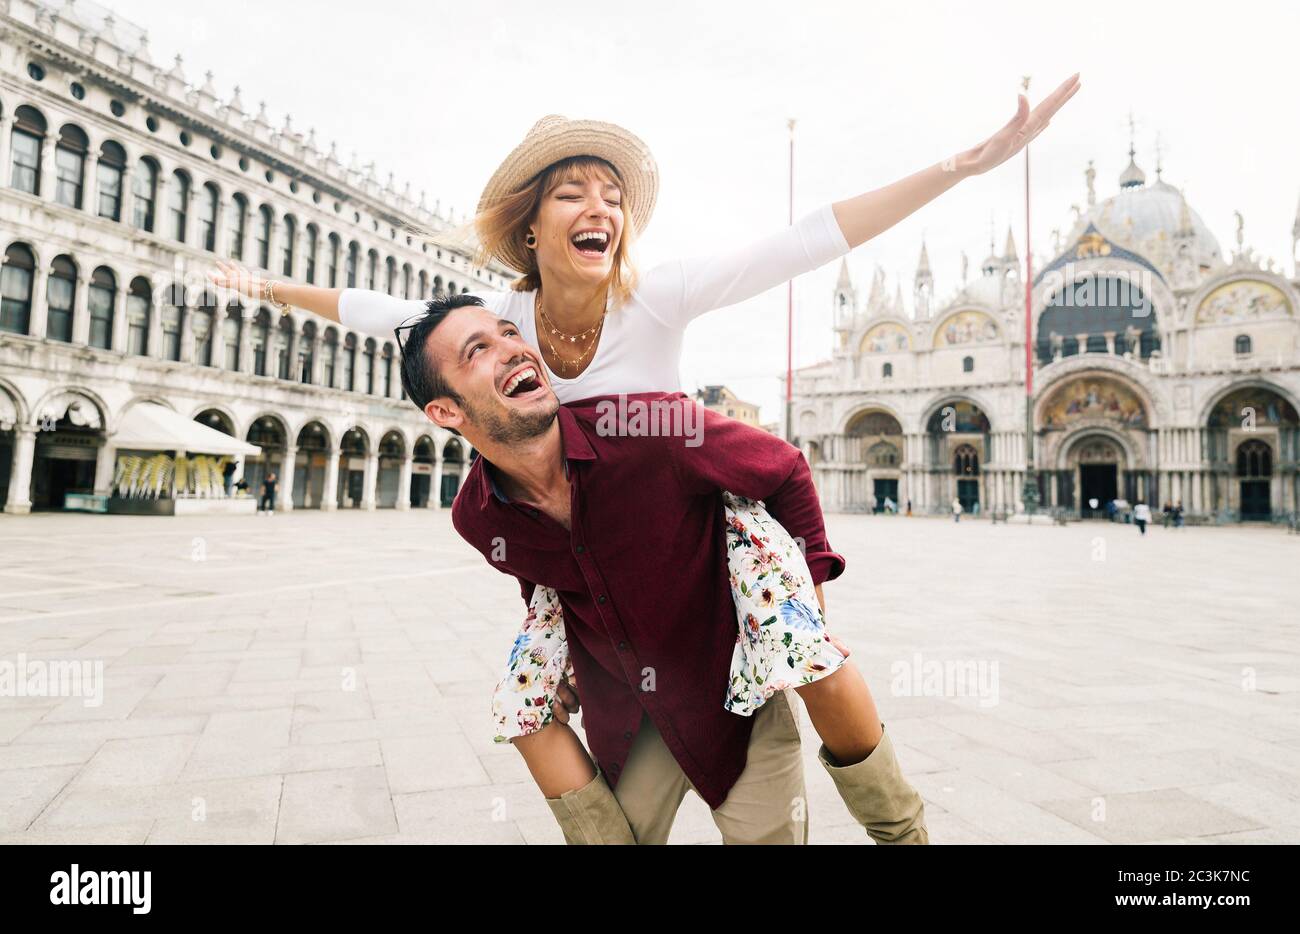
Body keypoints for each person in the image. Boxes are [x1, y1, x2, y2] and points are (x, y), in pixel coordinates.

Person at [208, 81, 1079, 840]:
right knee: (528, 695)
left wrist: (956, 169)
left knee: (808, 651)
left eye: (613, 195)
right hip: (580, 539)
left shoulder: (656, 298)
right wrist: (257, 287)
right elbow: (374, 308)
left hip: (698, 516)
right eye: (573, 193)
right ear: (531, 224)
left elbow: (808, 239)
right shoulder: (503, 316)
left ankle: (901, 826)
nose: (602, 208)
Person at [401, 293, 929, 844]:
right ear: (445, 411)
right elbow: (540, 583)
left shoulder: (647, 425)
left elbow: (785, 470)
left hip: (735, 698)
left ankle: (904, 835)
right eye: (477, 350)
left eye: (511, 332)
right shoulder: (477, 516)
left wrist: (808, 612)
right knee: (524, 707)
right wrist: (563, 671)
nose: (513, 349)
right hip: (627, 718)